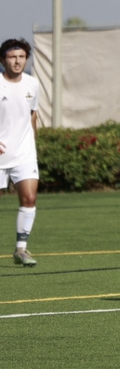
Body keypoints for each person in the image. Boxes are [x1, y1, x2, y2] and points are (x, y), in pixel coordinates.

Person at [0, 39, 40, 267]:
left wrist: (32, 145)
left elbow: (32, 116)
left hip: (25, 154)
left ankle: (21, 250)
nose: (17, 61)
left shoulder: (32, 84)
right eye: (13, 57)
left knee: (29, 198)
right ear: (3, 59)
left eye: (22, 57)